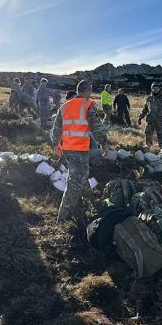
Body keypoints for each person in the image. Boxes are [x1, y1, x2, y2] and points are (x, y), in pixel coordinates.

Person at [51, 80, 109, 223]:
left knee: (81, 176)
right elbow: (97, 127)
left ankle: (90, 204)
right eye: (90, 91)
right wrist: (103, 144)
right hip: (79, 150)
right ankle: (62, 219)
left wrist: (55, 144)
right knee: (74, 183)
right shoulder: (88, 105)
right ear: (88, 90)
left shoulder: (64, 106)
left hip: (67, 150)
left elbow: (56, 129)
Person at [138, 82, 162, 151]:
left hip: (160, 121)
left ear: (159, 88)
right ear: (151, 89)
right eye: (153, 88)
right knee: (148, 133)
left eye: (157, 88)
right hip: (150, 120)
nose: (155, 89)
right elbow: (145, 109)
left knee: (161, 135)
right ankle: (148, 147)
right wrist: (140, 117)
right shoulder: (149, 98)